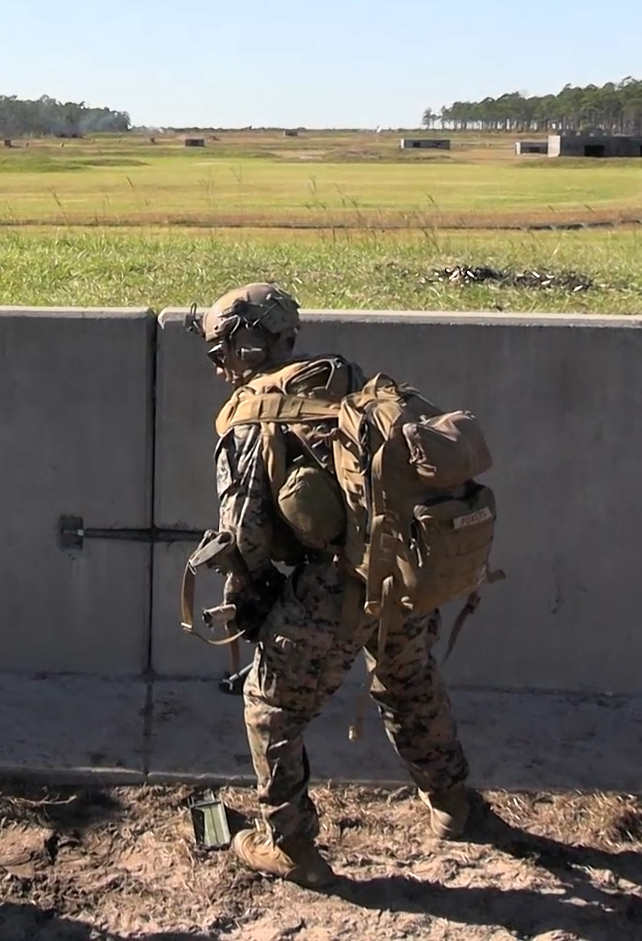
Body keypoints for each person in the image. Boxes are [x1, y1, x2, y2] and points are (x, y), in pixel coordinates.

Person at [190, 282, 472, 888]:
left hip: (336, 590)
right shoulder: (349, 382)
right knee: (409, 679)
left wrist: (252, 596)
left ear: (249, 346)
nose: (217, 364)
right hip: (402, 576)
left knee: (270, 709)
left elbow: (244, 537)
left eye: (221, 350)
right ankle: (452, 803)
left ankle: (287, 844)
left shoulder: (251, 418)